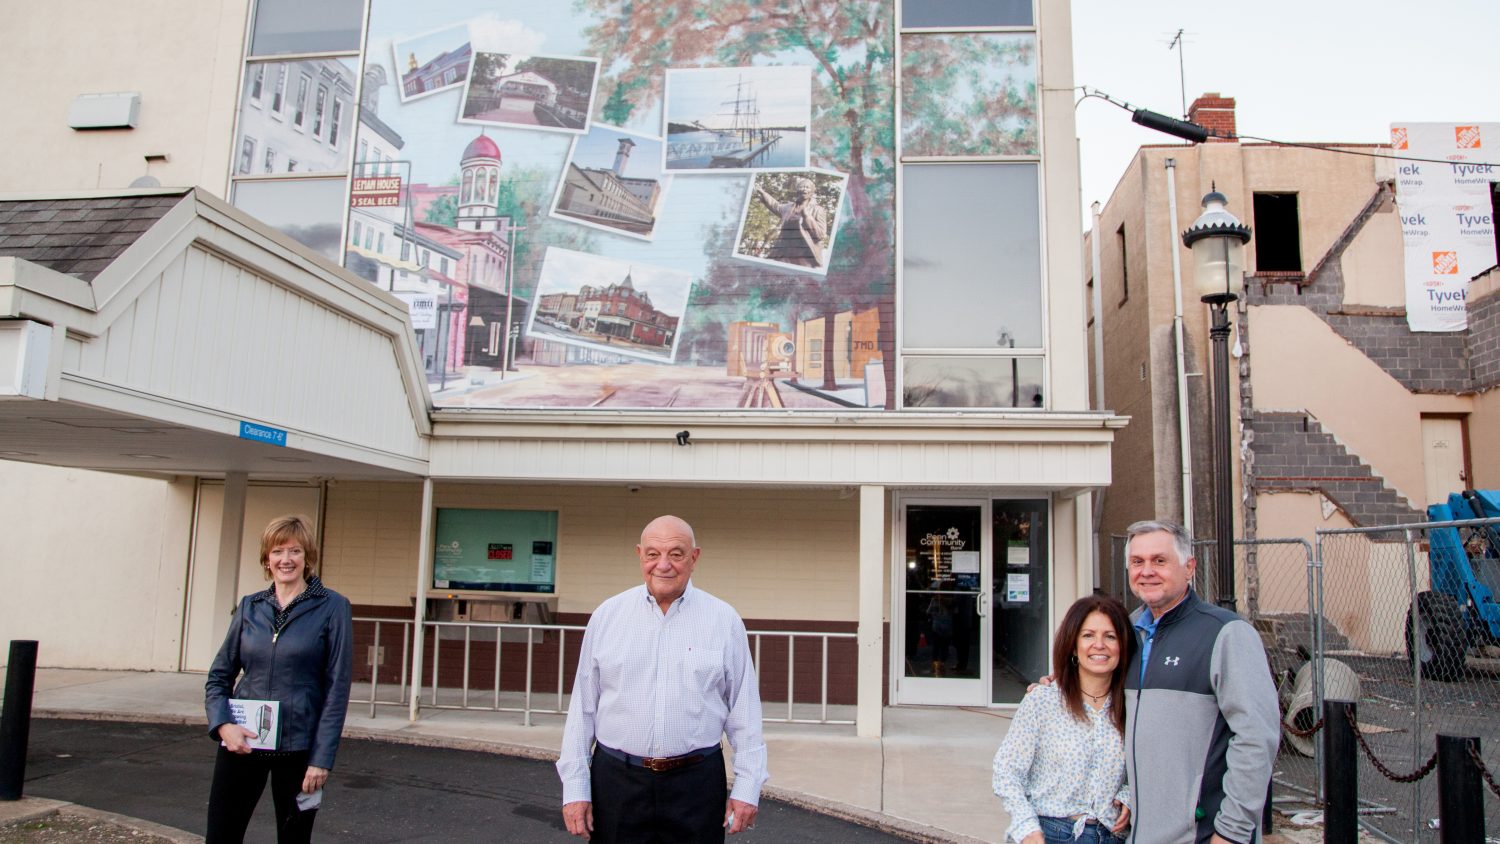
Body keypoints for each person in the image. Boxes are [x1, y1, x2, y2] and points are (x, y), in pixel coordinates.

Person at [557, 515, 768, 842]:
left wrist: (748, 786)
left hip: (696, 786)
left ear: (694, 557)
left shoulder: (723, 621)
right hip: (617, 785)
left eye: (676, 553)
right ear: (639, 555)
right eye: (653, 554)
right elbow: (583, 710)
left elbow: (744, 712)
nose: (663, 565)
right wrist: (575, 788)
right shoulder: (607, 617)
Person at [1122, 520, 1280, 844]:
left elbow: (1256, 737)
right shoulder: (1125, 633)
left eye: (1160, 561)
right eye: (1138, 562)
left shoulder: (1227, 634)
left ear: (1189, 567)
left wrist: (1231, 832)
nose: (1147, 571)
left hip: (1205, 836)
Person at [204, 515, 353, 844]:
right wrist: (223, 725)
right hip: (243, 743)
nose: (286, 559)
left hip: (299, 750)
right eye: (277, 551)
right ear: (266, 559)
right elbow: (218, 677)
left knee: (294, 839)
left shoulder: (333, 608)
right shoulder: (249, 607)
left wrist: (321, 759)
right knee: (220, 837)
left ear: (307, 557)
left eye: (295, 551)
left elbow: (337, 690)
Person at [993, 596, 1135, 844]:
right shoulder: (1044, 701)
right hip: (1051, 833)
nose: (1099, 645)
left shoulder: (1132, 706)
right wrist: (1026, 827)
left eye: (1110, 636)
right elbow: (1007, 770)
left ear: (1123, 646)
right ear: (1073, 645)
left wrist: (1129, 796)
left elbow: (1145, 769)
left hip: (1113, 835)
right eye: (1088, 635)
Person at [754, 176, 828, 267]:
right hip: (783, 253)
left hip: (804, 256)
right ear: (797, 190)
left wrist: (807, 217)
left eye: (807, 187)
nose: (804, 189)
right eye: (802, 186)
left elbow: (820, 235)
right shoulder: (788, 208)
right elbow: (775, 205)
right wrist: (763, 193)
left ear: (812, 191)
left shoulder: (818, 210)